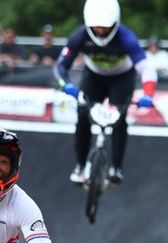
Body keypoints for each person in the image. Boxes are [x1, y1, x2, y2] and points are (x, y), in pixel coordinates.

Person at [55, 0, 157, 186]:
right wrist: (66, 84)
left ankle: (116, 167)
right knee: (83, 116)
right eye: (96, 27)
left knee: (120, 119)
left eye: (106, 27)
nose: (101, 31)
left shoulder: (127, 38)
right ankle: (80, 166)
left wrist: (148, 94)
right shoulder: (80, 36)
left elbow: (146, 68)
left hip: (122, 78)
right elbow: (61, 65)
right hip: (93, 77)